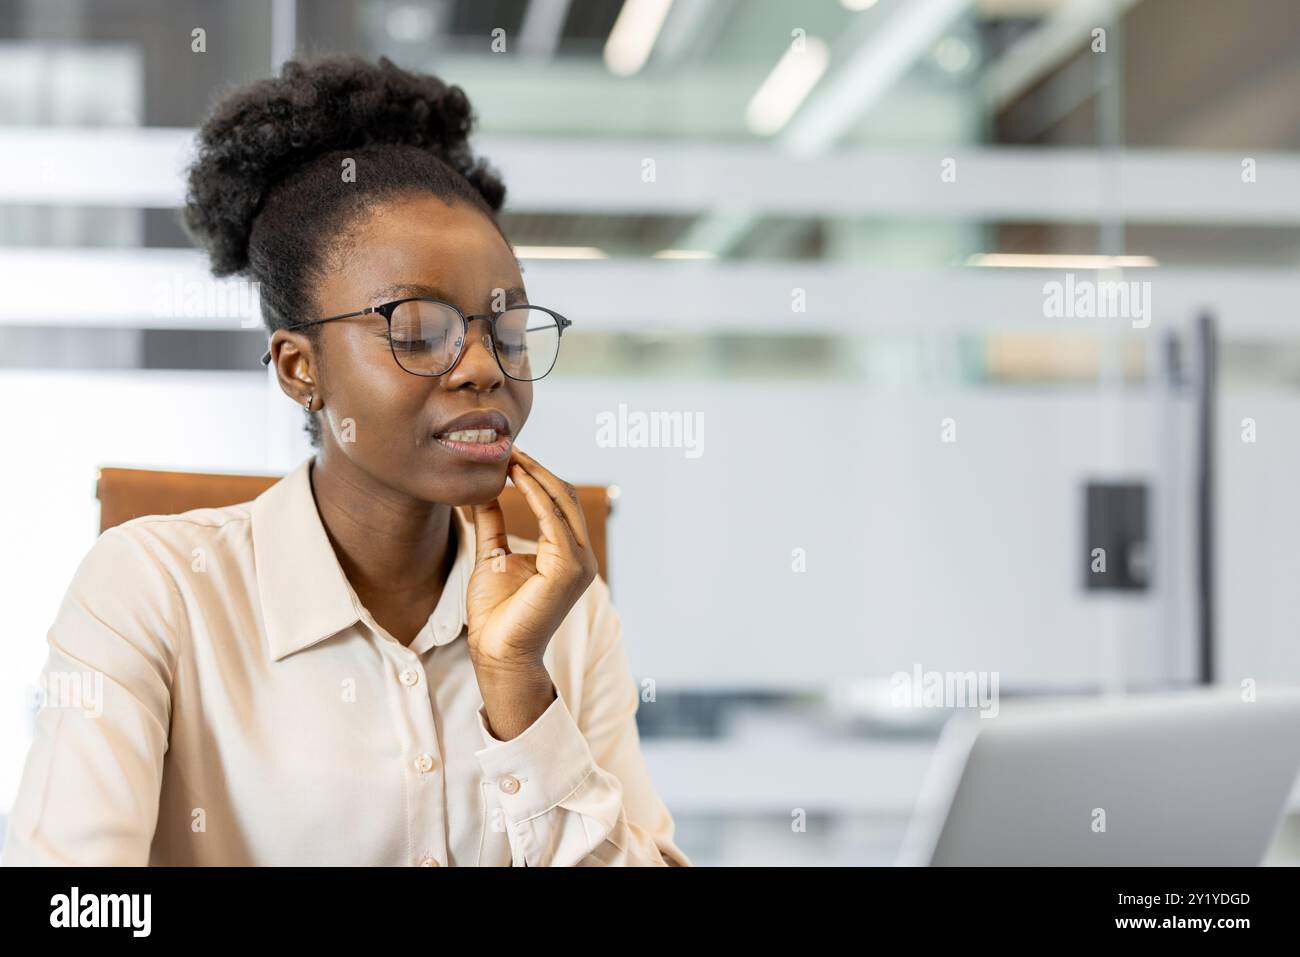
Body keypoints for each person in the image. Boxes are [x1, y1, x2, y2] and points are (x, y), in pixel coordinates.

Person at [2, 54, 689, 867]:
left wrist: (520, 691)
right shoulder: (152, 590)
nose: (483, 367)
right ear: (301, 369)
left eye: (505, 329)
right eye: (421, 329)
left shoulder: (565, 611)